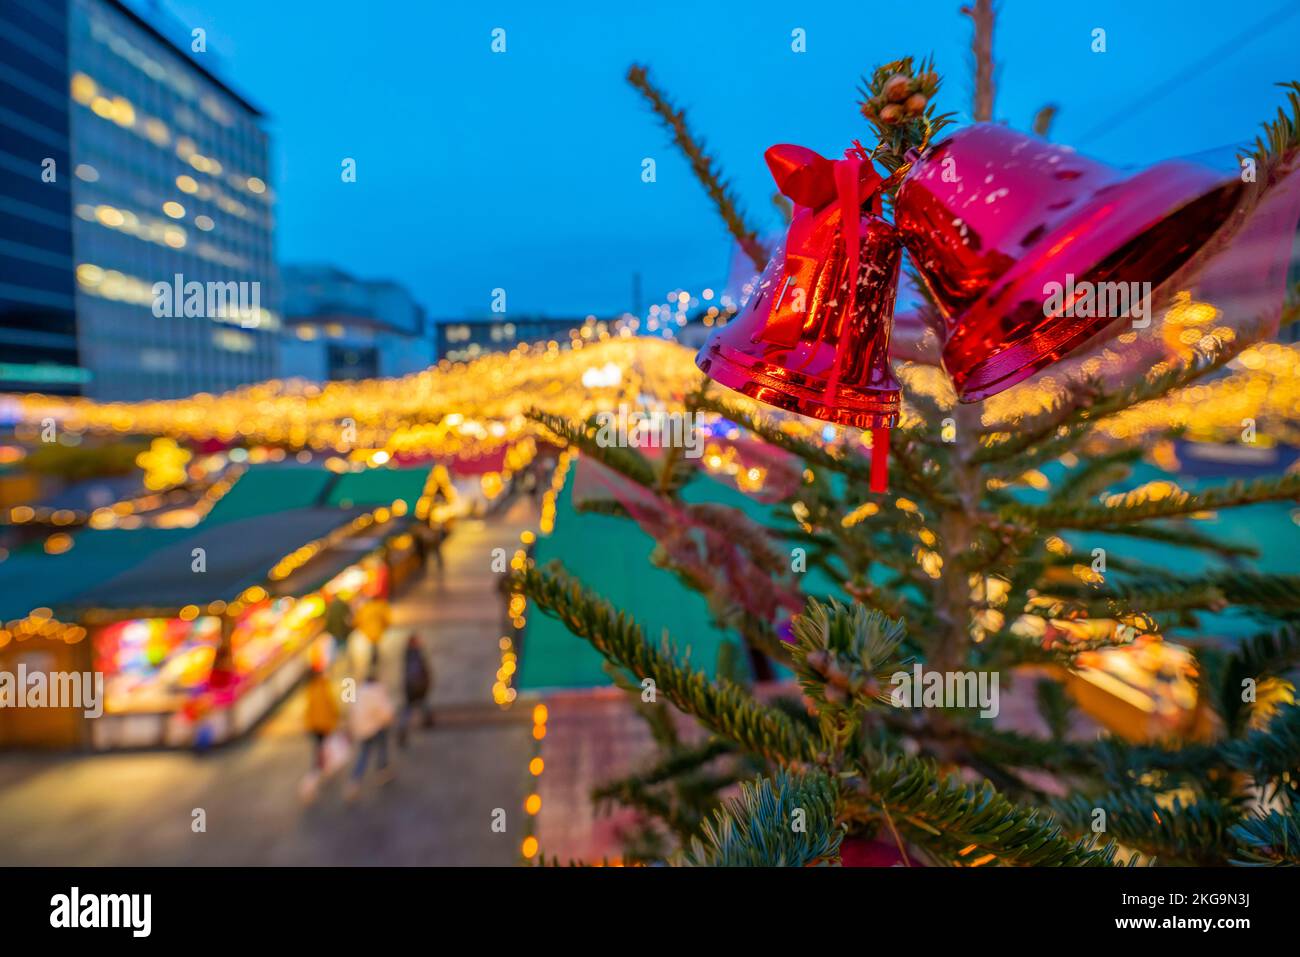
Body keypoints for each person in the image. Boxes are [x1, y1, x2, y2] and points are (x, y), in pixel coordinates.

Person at [344, 661, 395, 801]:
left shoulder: (358, 690)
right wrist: (389, 719)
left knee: (363, 755)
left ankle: (354, 782)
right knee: (382, 747)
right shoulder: (377, 691)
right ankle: (382, 771)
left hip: (362, 729)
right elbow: (385, 712)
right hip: (375, 727)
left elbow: (350, 708)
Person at [397, 633, 435, 747]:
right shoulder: (414, 655)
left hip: (413, 686)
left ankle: (425, 721)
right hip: (415, 686)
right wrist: (423, 682)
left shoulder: (410, 654)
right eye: (418, 641)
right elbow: (415, 672)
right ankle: (404, 728)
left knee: (416, 706)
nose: (420, 642)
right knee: (415, 706)